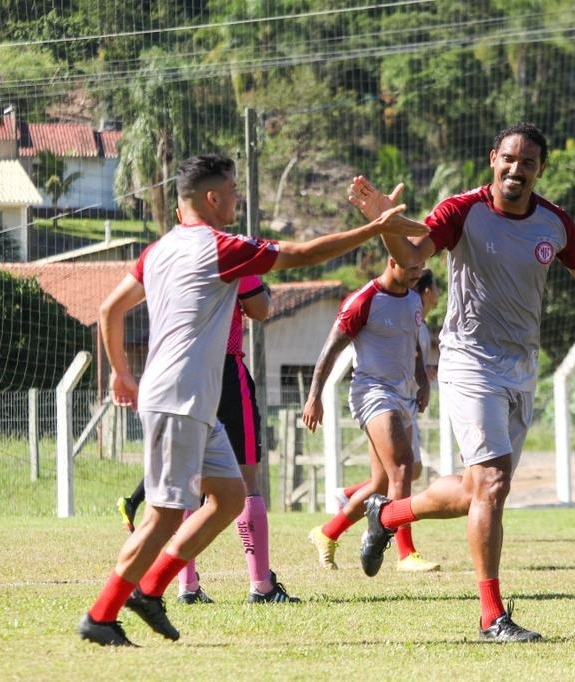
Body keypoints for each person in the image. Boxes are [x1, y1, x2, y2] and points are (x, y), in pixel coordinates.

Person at [346, 122, 575, 643]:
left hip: (521, 368)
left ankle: (388, 514)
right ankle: (491, 616)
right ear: (492, 159)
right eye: (508, 159)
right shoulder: (463, 211)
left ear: (540, 170)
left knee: (478, 490)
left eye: (527, 162)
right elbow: (413, 255)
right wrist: (384, 222)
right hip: (469, 362)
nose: (515, 169)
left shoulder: (554, 223)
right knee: (493, 485)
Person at [78, 152, 423, 647]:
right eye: (234, 191)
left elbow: (110, 309)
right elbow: (303, 255)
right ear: (213, 198)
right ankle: (102, 613)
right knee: (164, 516)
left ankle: (150, 591)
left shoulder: (159, 249)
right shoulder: (222, 246)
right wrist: (375, 228)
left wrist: (121, 375)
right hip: (179, 399)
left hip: (186, 399)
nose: (238, 199)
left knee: (231, 496)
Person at [116, 275, 295, 605]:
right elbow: (261, 309)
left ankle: (187, 586)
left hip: (180, 373)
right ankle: (262, 586)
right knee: (247, 482)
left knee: (188, 483)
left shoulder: (167, 259)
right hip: (223, 371)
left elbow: (117, 307)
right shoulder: (232, 259)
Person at [302, 258, 439, 573]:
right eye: (412, 268)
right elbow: (330, 349)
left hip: (403, 395)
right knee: (403, 467)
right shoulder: (363, 300)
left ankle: (328, 532)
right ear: (393, 262)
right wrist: (314, 397)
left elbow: (414, 348)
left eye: (420, 269)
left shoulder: (412, 302)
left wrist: (422, 383)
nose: (418, 275)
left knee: (381, 482)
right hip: (373, 393)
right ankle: (406, 553)